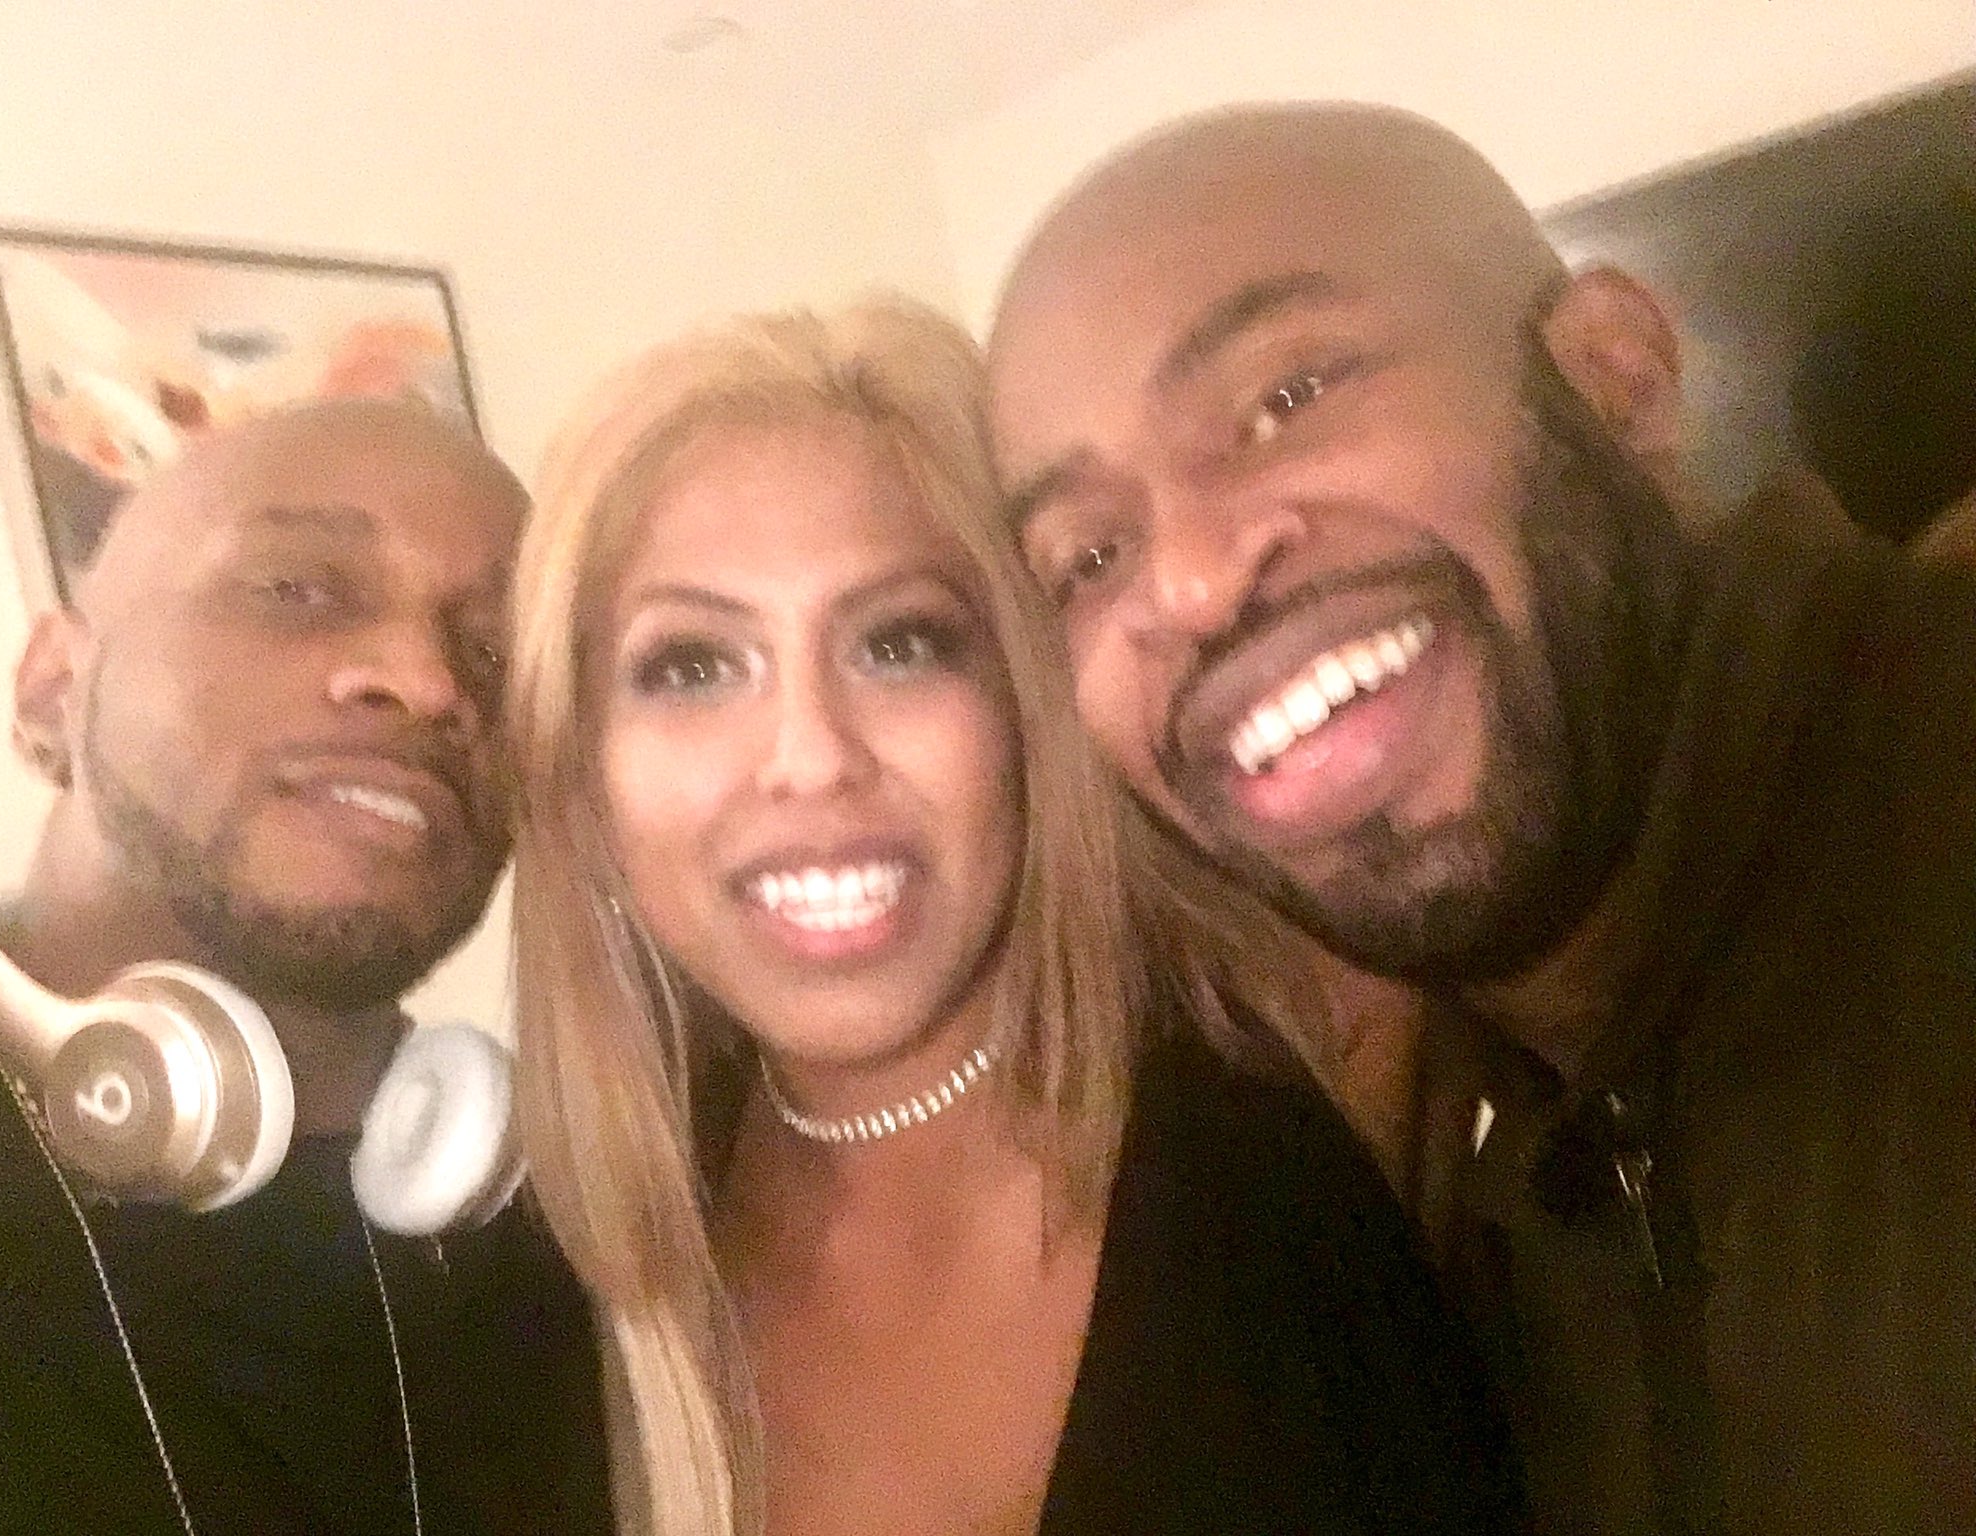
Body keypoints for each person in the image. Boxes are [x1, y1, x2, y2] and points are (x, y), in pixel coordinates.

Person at [985, 102, 1976, 1535]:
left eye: (1286, 397)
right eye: (1086, 556)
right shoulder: (1453, 1185)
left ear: (1613, 378)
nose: (1188, 585)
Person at [506, 299, 1525, 1535]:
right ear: (582, 783)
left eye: (899, 643)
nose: (810, 758)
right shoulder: (546, 1294)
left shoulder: (1297, 1135)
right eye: (690, 667)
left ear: (1030, 711)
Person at [0, 400, 606, 1534]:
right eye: (298, 589)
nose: (427, 680)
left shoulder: (601, 1256)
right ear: (54, 690)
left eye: (494, 650)